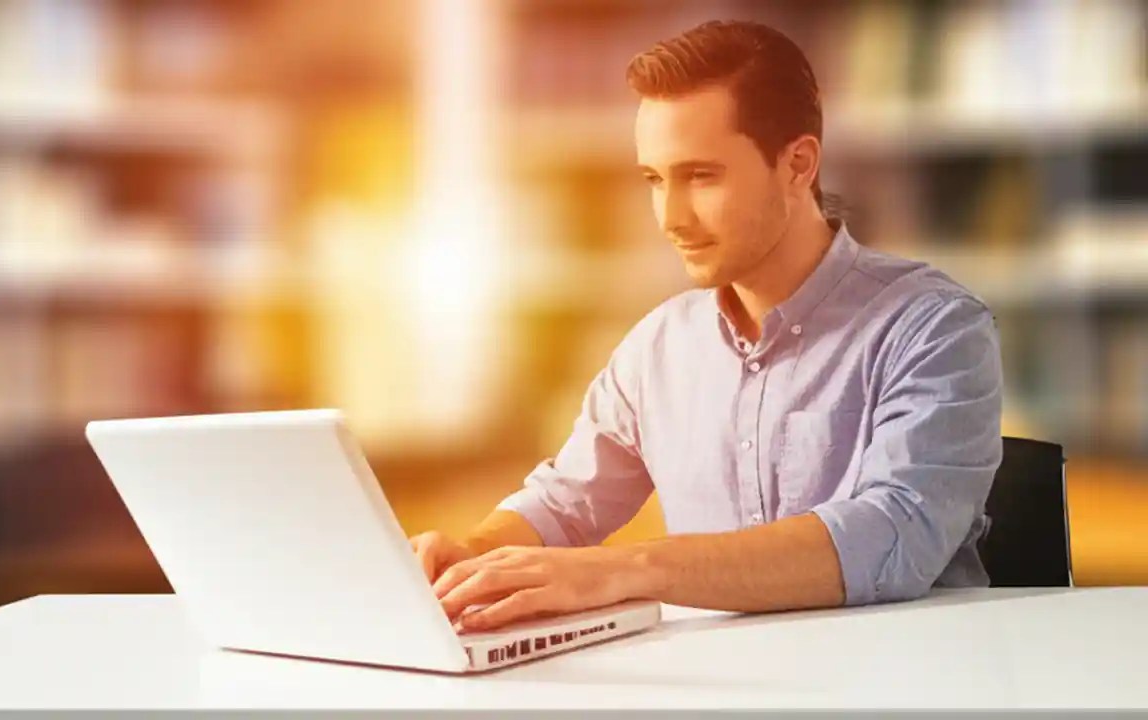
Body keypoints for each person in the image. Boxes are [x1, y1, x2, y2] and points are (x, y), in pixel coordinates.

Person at [411, 19, 1003, 632]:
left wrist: (627, 569)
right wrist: (473, 557)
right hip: (719, 687)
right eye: (654, 180)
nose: (669, 217)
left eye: (700, 177)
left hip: (905, 683)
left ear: (798, 164)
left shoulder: (933, 327)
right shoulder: (658, 348)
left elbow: (893, 534)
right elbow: (564, 502)